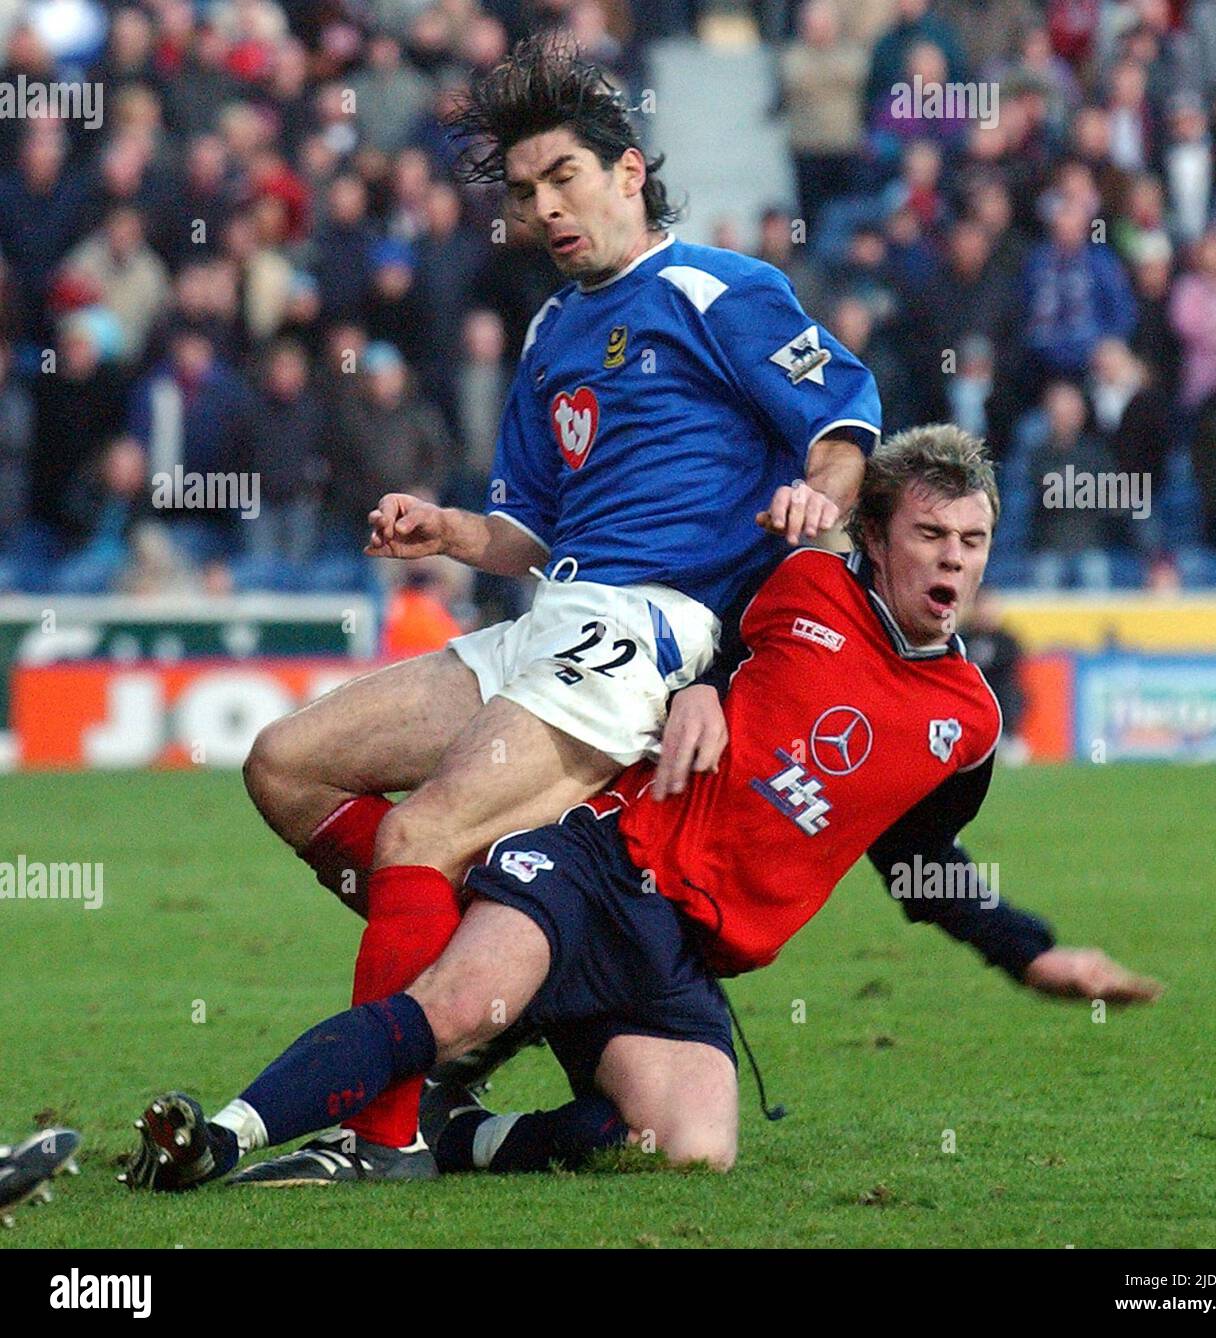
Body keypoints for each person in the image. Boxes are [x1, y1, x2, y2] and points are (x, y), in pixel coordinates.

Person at [124, 426, 1159, 1189]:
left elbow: (917, 857)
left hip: (680, 953)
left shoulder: (965, 720)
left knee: (688, 1146)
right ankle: (217, 1140)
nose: (952, 560)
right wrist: (704, 682)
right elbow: (674, 630)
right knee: (452, 1008)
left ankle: (458, 1138)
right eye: (929, 534)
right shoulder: (794, 584)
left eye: (971, 541)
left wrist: (1029, 953)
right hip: (598, 867)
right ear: (875, 539)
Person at [237, 32, 881, 1166]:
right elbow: (526, 529)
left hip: (649, 631)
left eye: (564, 179)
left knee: (422, 835)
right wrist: (445, 528)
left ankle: (379, 1133)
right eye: (528, 192)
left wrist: (817, 500)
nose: (545, 209)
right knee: (285, 762)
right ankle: (477, 974)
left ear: (628, 171)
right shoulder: (549, 333)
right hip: (546, 617)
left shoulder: (719, 289)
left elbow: (841, 432)